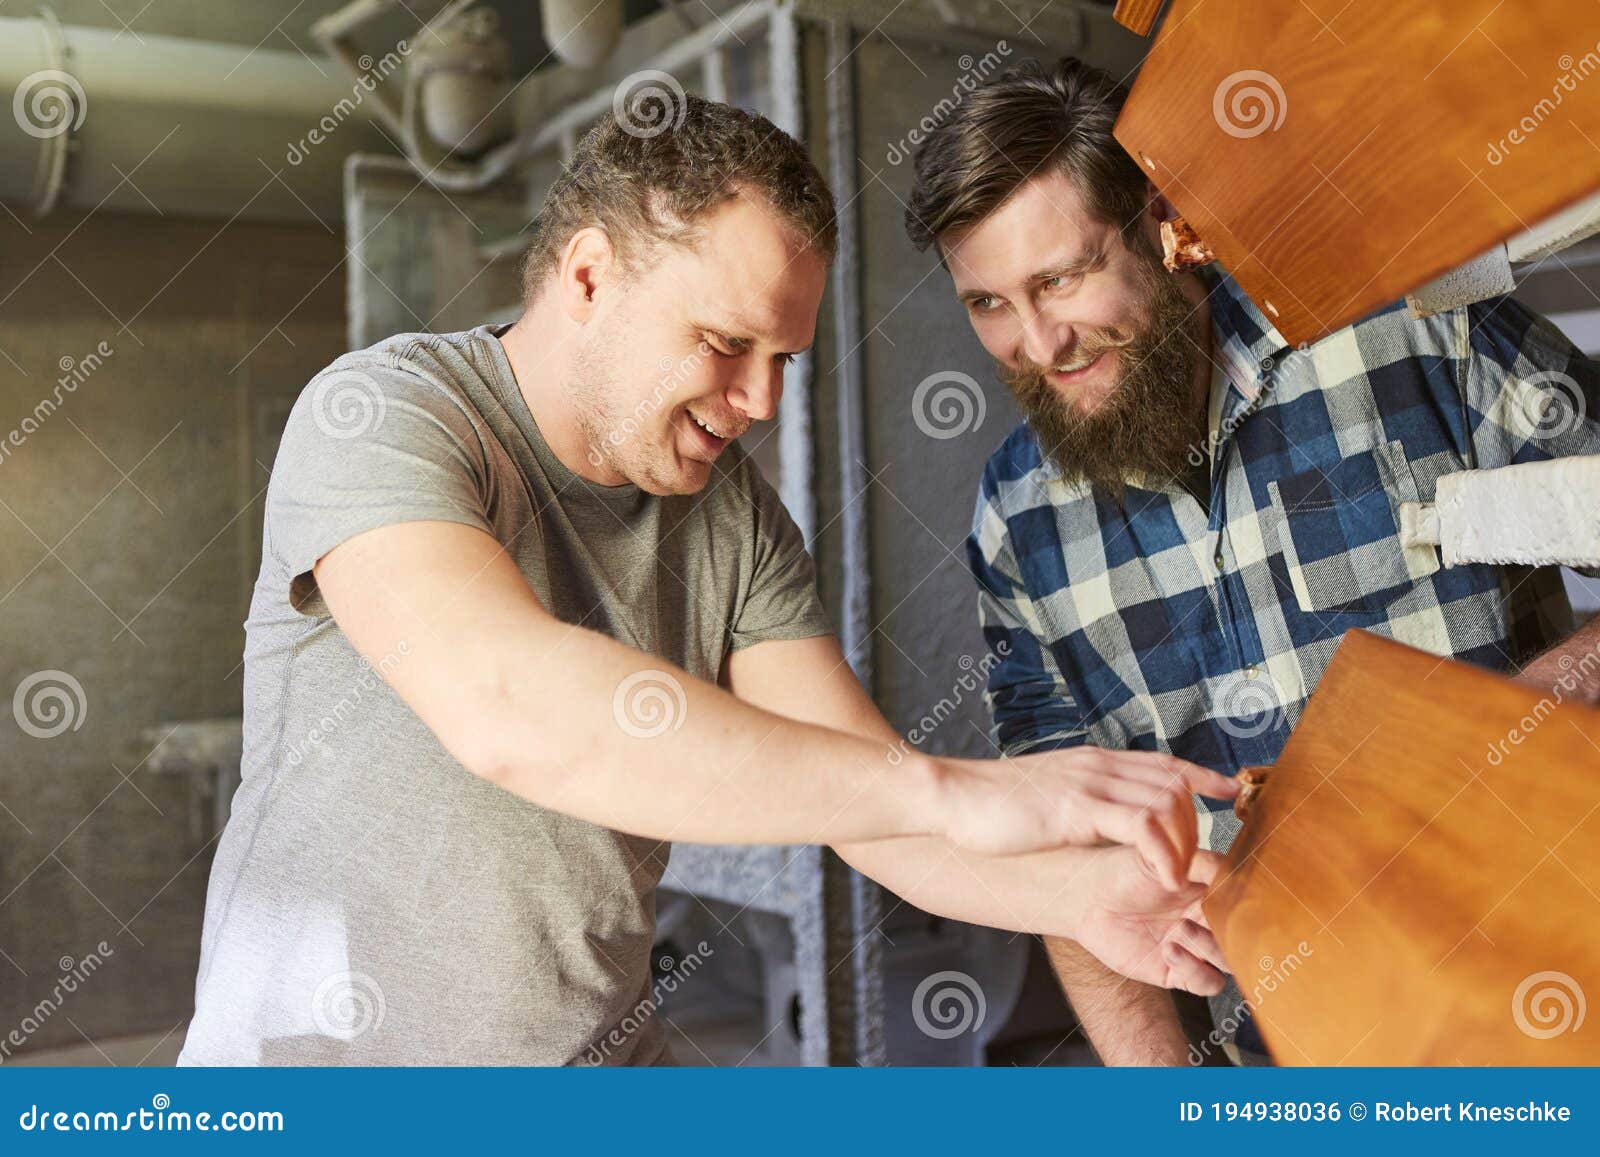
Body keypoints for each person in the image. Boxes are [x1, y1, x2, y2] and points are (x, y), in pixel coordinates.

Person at [177, 95, 1239, 1066]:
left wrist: (1085, 894)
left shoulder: (731, 516)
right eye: (728, 344)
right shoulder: (387, 417)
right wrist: (956, 788)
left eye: (782, 359)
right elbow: (504, 706)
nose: (759, 402)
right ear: (589, 276)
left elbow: (868, 807)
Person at [903, 56, 1600, 1065]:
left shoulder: (1414, 332)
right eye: (990, 304)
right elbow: (1061, 837)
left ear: (1161, 224)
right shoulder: (1018, 517)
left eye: (1059, 278)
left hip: (1538, 1006)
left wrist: (1522, 718)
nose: (1039, 340)